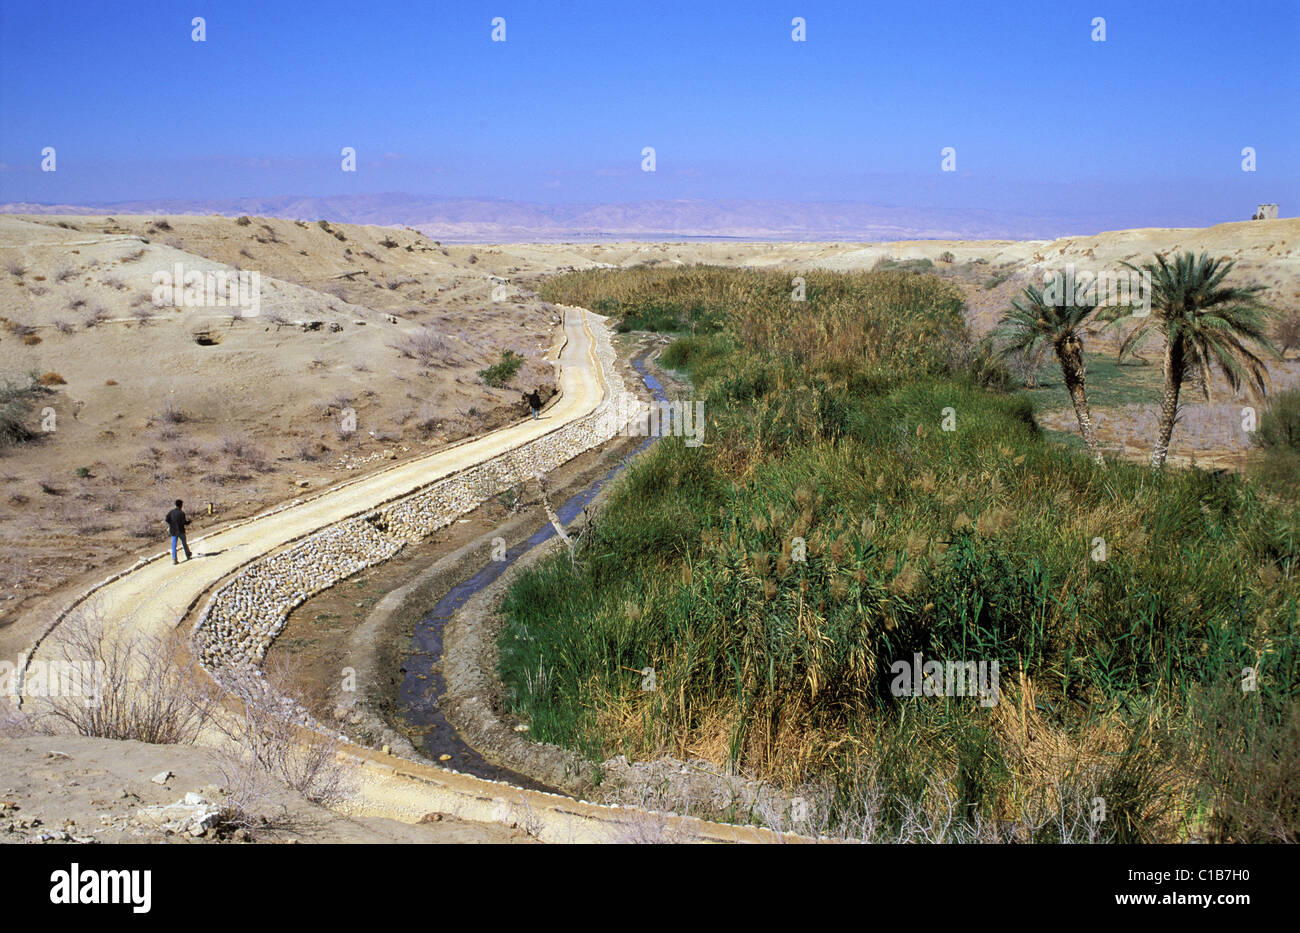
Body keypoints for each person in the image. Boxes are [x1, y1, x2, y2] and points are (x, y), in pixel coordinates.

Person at [165, 499, 191, 564]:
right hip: (181, 530)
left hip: (173, 531)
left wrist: (171, 524)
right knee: (184, 543)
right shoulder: (182, 513)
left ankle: (174, 559)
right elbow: (184, 522)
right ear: (181, 505)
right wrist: (189, 522)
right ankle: (188, 554)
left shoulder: (171, 512)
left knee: (173, 545)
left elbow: (167, 519)